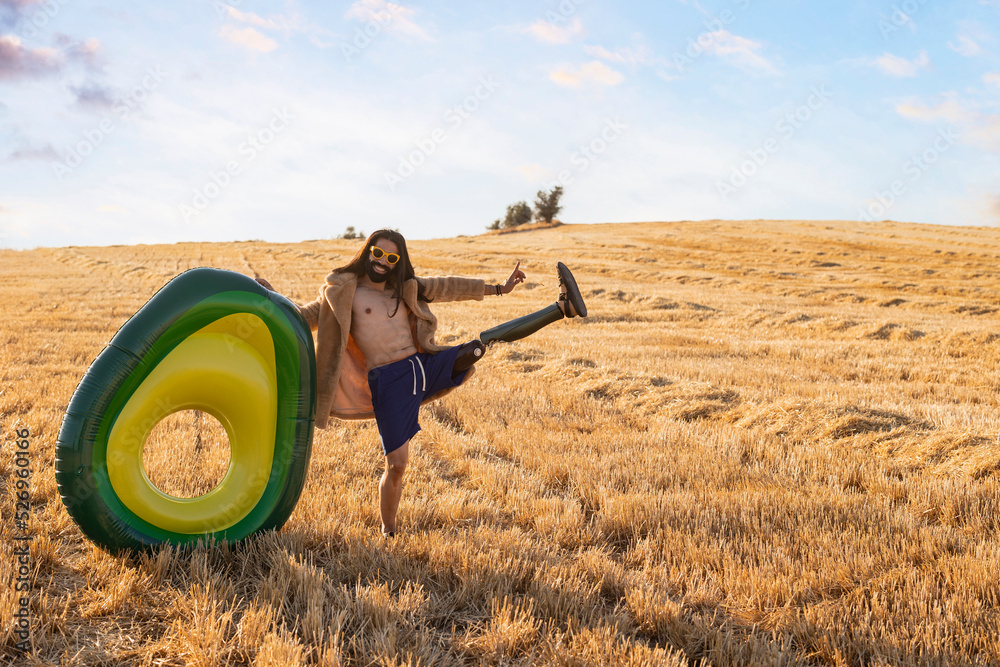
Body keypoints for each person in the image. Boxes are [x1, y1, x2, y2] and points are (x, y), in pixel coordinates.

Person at [257, 229, 587, 537]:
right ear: (366, 252)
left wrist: (500, 288)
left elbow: (448, 286)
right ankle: (389, 532)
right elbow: (302, 318)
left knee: (478, 346)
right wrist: (271, 298)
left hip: (423, 365)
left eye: (392, 258)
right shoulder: (342, 293)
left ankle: (561, 307)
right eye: (378, 253)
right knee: (398, 465)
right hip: (390, 384)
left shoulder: (406, 288)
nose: (383, 262)